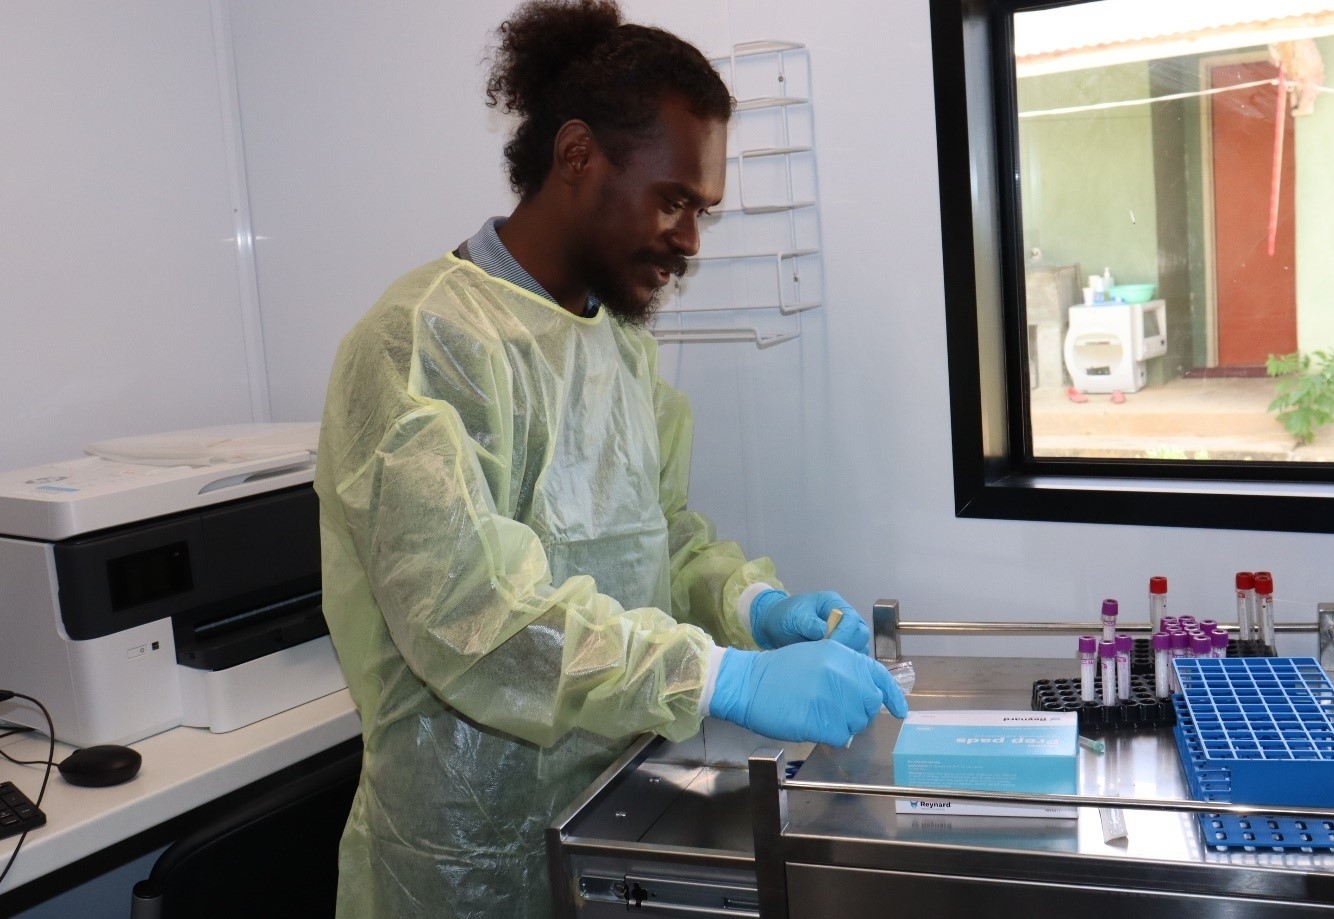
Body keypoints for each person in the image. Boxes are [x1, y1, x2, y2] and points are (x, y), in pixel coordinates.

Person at [314, 2, 907, 916]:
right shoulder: (422, 342)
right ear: (577, 155)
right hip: (465, 856)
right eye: (674, 201)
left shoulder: (618, 340)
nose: (690, 243)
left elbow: (654, 536)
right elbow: (474, 619)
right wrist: (725, 677)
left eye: (701, 212)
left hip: (615, 812)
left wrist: (754, 608)